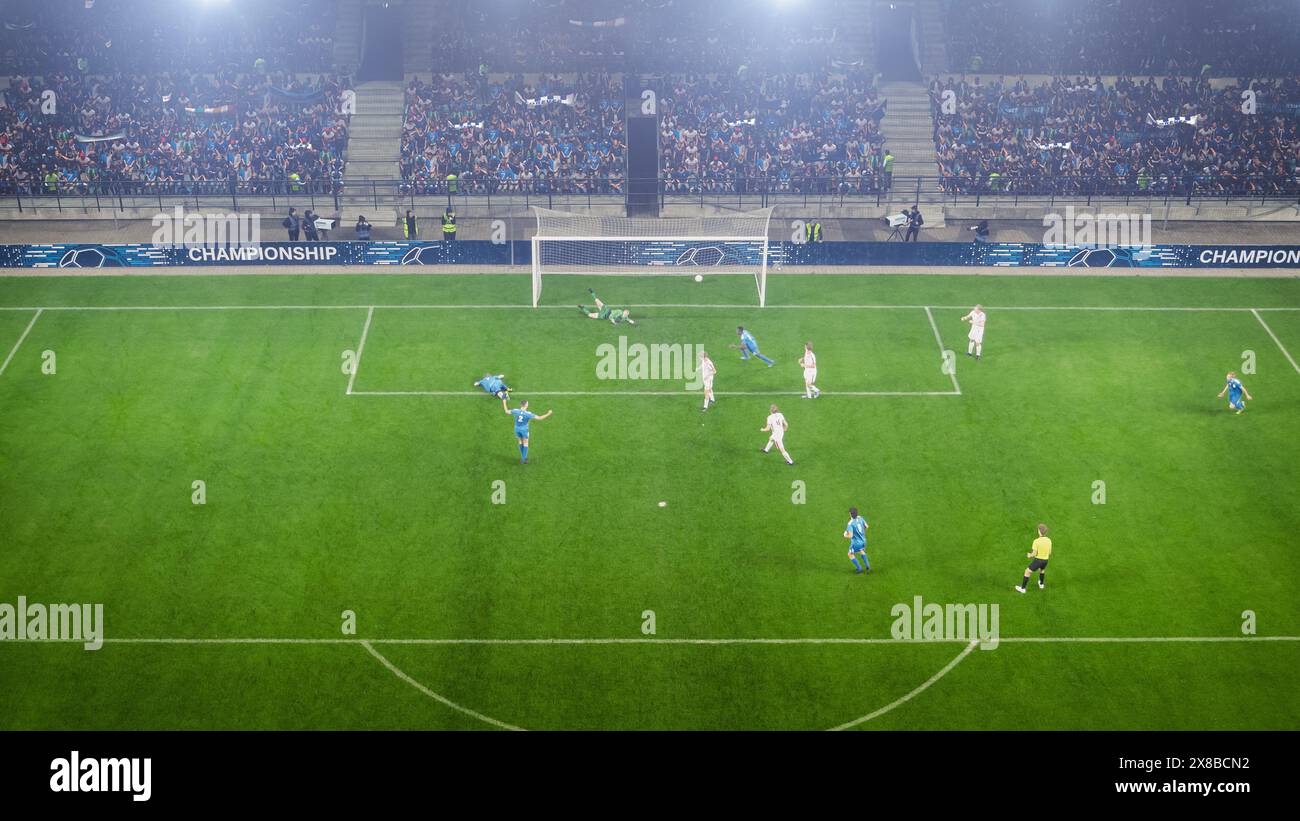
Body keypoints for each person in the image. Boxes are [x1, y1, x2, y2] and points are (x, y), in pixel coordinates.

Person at [505, 399, 552, 465]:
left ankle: (523, 457)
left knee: (520, 442)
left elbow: (506, 411)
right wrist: (548, 414)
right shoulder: (528, 414)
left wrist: (504, 401)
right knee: (526, 443)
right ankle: (523, 460)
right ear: (526, 405)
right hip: (524, 430)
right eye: (527, 403)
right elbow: (539, 418)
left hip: (516, 429)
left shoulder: (515, 411)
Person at [1015, 523, 1053, 593]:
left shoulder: (1036, 541)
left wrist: (1029, 555)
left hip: (1038, 561)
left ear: (1039, 531)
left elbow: (1034, 553)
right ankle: (1041, 584)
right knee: (1042, 570)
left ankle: (1023, 589)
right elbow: (1049, 552)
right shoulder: (1049, 540)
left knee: (1027, 571)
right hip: (1046, 560)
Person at [843, 507, 870, 574]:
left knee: (850, 554)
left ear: (850, 514)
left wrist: (845, 535)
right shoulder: (860, 518)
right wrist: (861, 533)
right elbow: (866, 526)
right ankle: (868, 566)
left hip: (856, 543)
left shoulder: (850, 523)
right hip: (863, 540)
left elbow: (851, 535)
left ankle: (859, 568)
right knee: (861, 550)